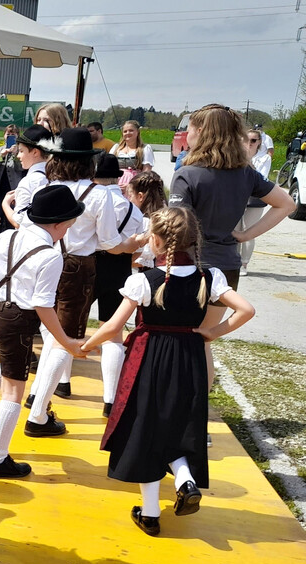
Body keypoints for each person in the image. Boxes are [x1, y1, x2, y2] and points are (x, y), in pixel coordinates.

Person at [81, 206, 254, 536]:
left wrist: (85, 346)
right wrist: (212, 333)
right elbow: (247, 309)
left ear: (156, 241)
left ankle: (149, 512)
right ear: (193, 241)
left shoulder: (142, 281)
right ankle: (185, 480)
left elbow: (114, 326)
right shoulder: (210, 277)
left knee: (145, 429)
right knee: (176, 424)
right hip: (189, 357)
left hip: (149, 360)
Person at [0, 185, 86, 478]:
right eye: (69, 225)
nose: (68, 231)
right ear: (57, 224)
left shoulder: (8, 236)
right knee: (14, 390)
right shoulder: (51, 256)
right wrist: (65, 341)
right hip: (17, 320)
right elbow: (43, 305)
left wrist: (5, 274)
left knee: (7, 367)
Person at [169, 104, 294, 388]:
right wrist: (246, 234)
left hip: (189, 266)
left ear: (200, 132)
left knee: (180, 340)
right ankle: (200, 418)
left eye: (189, 129)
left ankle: (177, 413)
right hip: (227, 265)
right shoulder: (245, 173)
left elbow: (176, 226)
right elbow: (287, 203)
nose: (186, 134)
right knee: (203, 342)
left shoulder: (187, 174)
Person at [23, 127, 131, 435]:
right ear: (89, 162)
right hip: (79, 266)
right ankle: (38, 414)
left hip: (46, 258)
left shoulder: (48, 188)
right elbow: (110, 242)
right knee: (65, 339)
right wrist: (132, 243)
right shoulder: (100, 195)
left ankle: (37, 398)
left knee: (50, 332)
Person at [90, 152, 145, 417]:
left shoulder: (89, 198)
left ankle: (62, 385)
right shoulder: (132, 209)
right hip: (120, 266)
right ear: (119, 177)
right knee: (112, 332)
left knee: (71, 326)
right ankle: (110, 399)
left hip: (89, 264)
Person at [1, 125, 53, 229]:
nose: (18, 156)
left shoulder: (29, 182)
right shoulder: (53, 176)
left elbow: (19, 222)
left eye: (21, 151)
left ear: (35, 152)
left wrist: (5, 203)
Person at [239, 129, 272, 276]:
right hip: (238, 197)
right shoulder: (237, 155)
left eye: (253, 140)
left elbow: (261, 177)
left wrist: (249, 164)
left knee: (248, 230)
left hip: (255, 199)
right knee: (234, 229)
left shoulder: (264, 158)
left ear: (259, 142)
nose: (250, 143)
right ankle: (234, 260)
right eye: (247, 140)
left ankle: (244, 263)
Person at [109, 120, 154, 187]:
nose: (127, 133)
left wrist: (131, 185)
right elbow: (109, 167)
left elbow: (146, 171)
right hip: (116, 184)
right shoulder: (116, 148)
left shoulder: (144, 148)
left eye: (131, 130)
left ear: (137, 132)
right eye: (125, 131)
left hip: (136, 185)